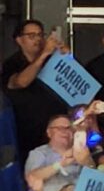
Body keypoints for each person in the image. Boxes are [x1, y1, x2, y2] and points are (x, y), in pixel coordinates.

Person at [3, 18, 68, 152]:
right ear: (19, 40)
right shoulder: (11, 63)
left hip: (54, 130)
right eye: (31, 36)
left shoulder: (52, 60)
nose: (37, 39)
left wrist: (67, 58)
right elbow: (21, 82)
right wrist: (44, 54)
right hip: (25, 132)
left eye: (40, 35)